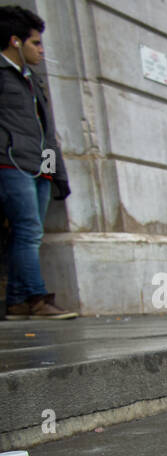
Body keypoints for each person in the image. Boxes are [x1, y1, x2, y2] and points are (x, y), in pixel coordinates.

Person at [0, 5, 73, 320]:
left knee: (29, 233)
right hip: (10, 163)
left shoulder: (32, 80)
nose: (42, 50)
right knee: (28, 230)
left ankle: (17, 301)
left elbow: (47, 130)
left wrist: (57, 173)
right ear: (16, 41)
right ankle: (37, 298)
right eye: (36, 43)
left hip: (40, 166)